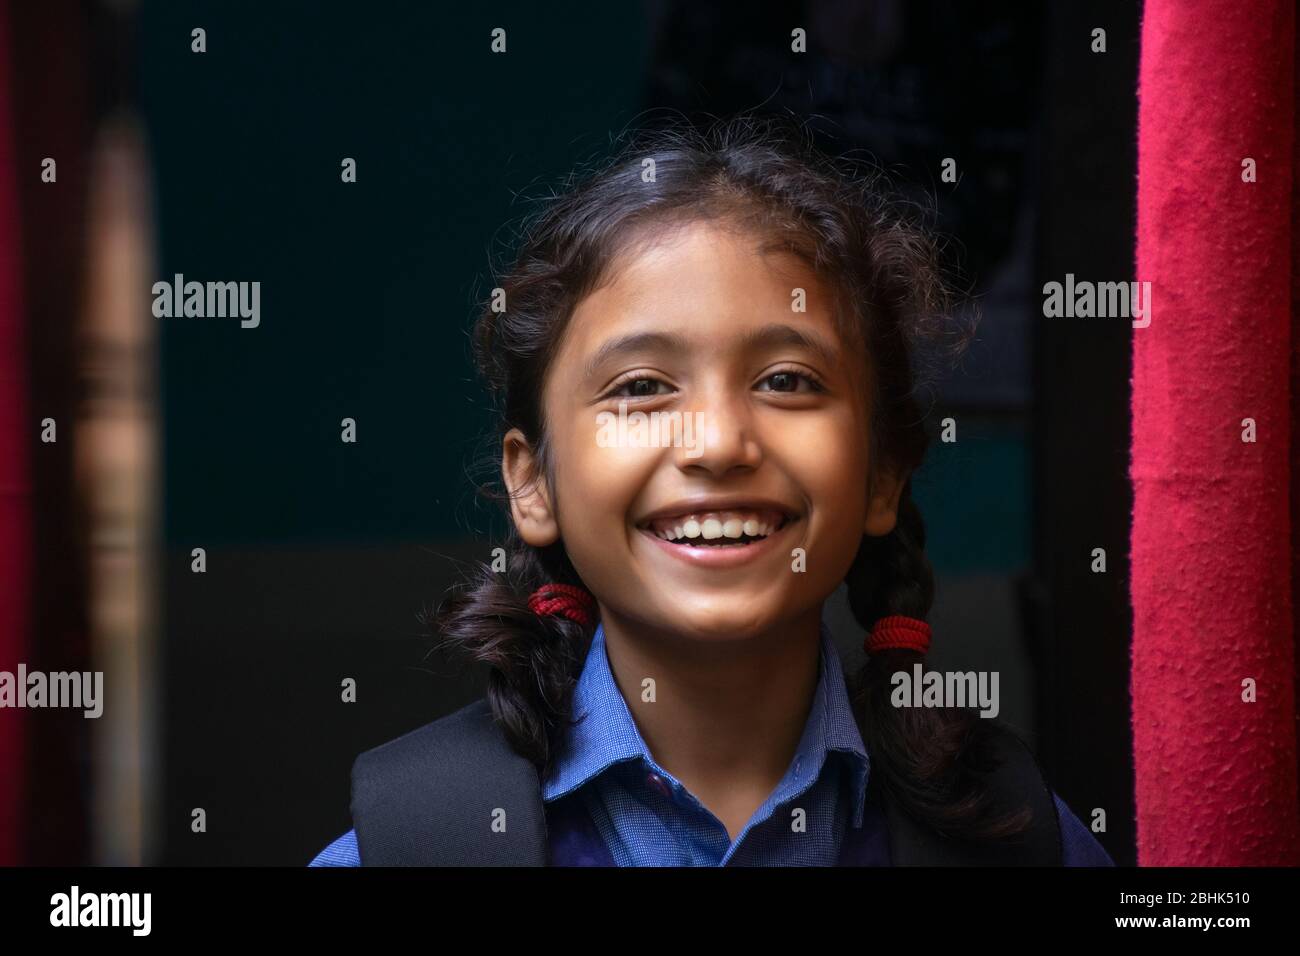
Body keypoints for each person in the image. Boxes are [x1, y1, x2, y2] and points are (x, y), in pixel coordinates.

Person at [310, 113, 1114, 867]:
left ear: (881, 477)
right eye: (641, 386)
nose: (718, 443)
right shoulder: (417, 845)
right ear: (533, 483)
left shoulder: (1016, 835)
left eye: (787, 380)